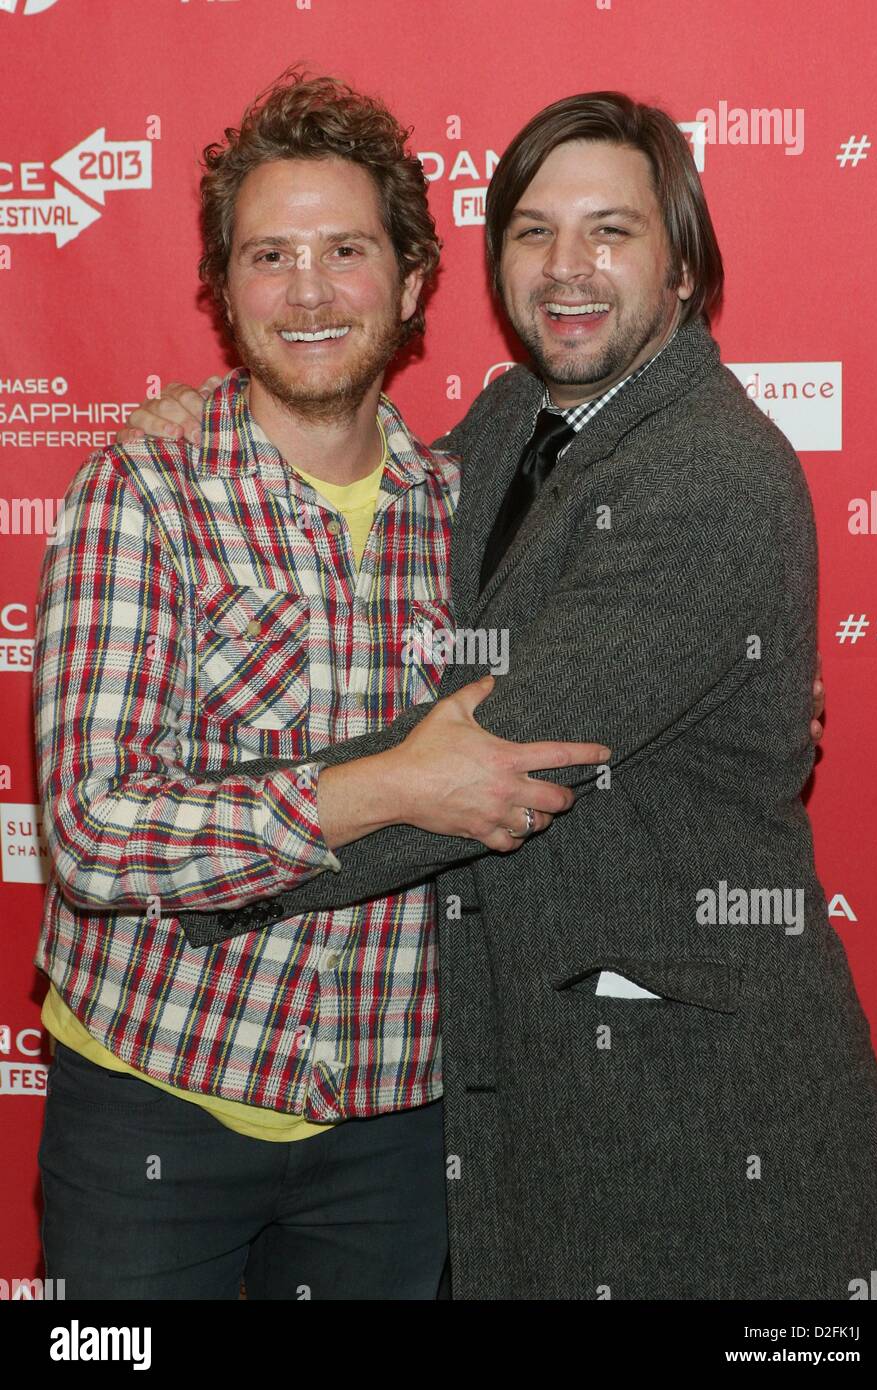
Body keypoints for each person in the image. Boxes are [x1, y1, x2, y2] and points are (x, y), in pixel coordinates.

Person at [128, 90, 877, 1302]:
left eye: (611, 232)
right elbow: (376, 532)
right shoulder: (513, 420)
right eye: (533, 232)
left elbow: (482, 760)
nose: (567, 269)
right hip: (530, 1093)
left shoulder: (713, 474)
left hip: (693, 1120)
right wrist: (210, 423)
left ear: (684, 265)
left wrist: (172, 832)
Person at [32, 67, 609, 1301]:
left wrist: (745, 678)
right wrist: (388, 788)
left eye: (344, 251)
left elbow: (617, 670)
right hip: (152, 1097)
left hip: (396, 1121)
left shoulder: (473, 520)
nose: (305, 293)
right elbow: (92, 832)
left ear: (407, 286)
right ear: (224, 291)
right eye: (267, 257)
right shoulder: (142, 492)